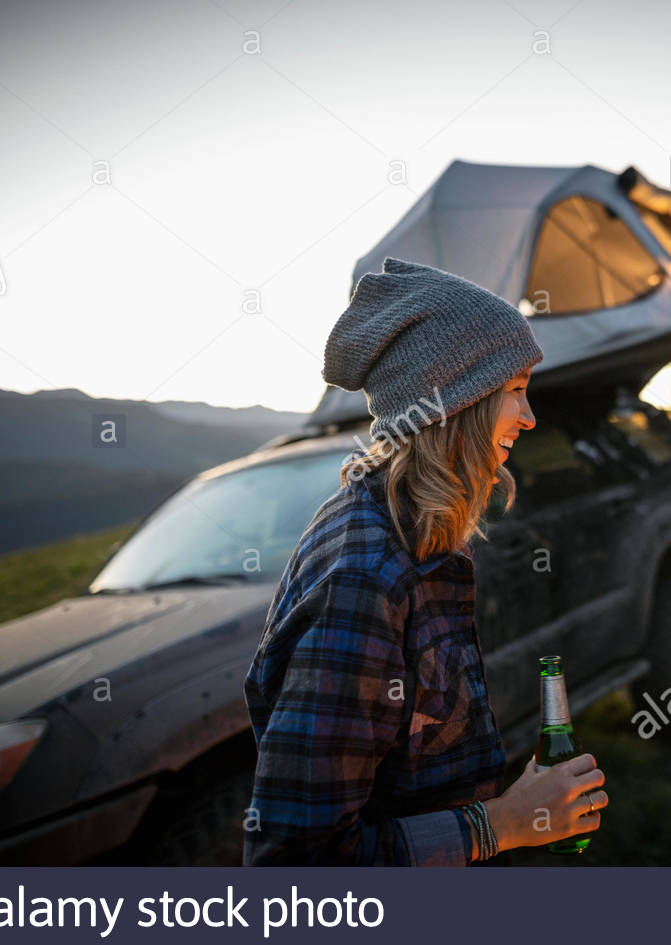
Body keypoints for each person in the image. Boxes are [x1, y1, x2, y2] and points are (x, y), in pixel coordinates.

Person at [243, 256, 607, 865]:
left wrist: (513, 806)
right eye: (515, 390)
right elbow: (297, 862)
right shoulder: (364, 576)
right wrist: (502, 824)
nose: (529, 416)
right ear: (457, 402)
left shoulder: (420, 535)